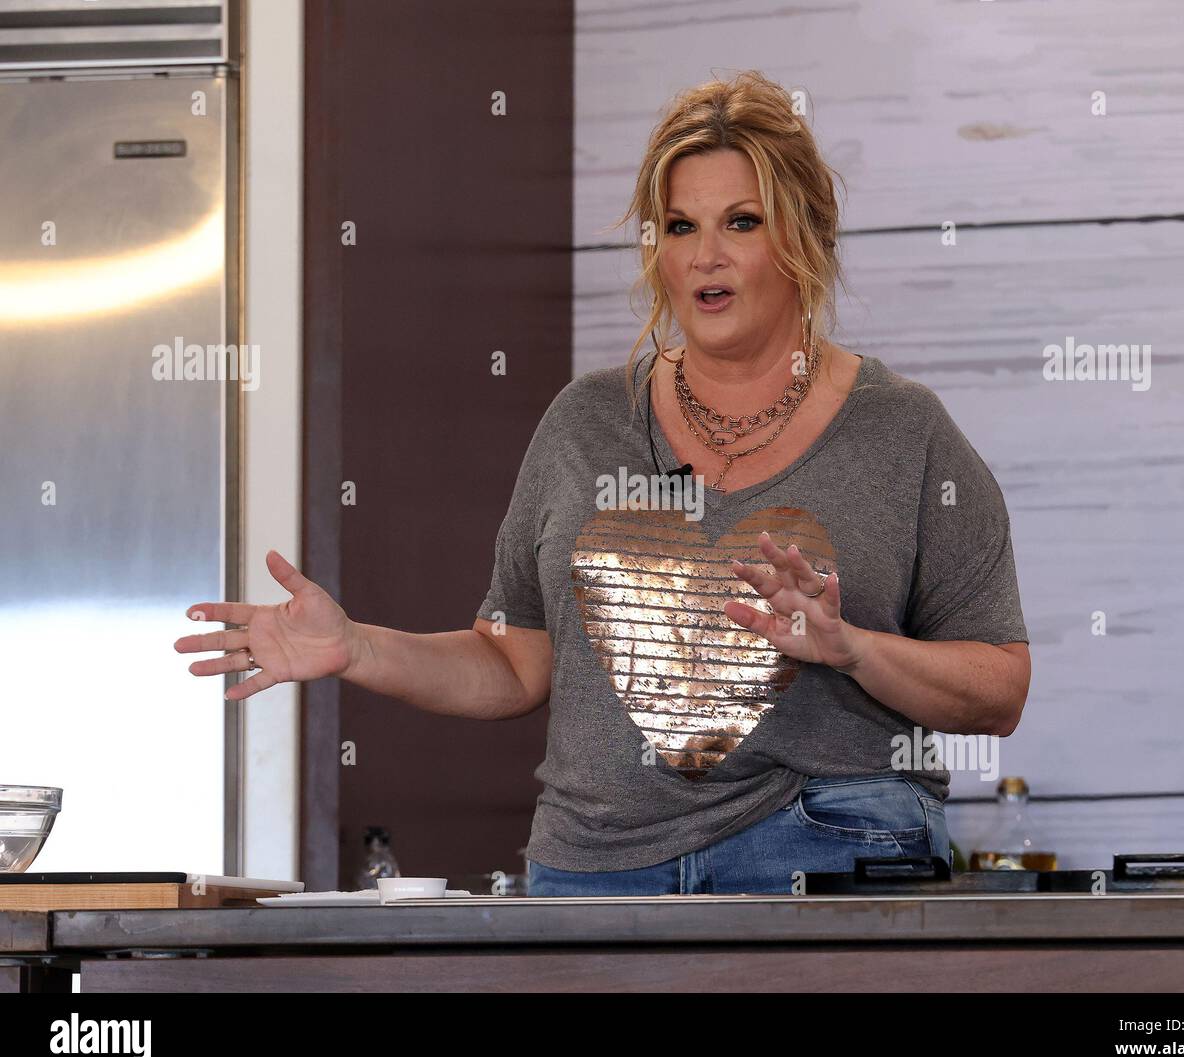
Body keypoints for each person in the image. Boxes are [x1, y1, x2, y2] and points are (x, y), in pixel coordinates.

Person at [175, 70, 1030, 897]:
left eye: (741, 221)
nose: (706, 256)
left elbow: (1000, 687)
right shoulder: (584, 422)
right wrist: (357, 646)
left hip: (826, 850)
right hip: (593, 877)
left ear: (804, 237)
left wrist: (853, 648)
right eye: (679, 227)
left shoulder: (903, 431)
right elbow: (513, 663)